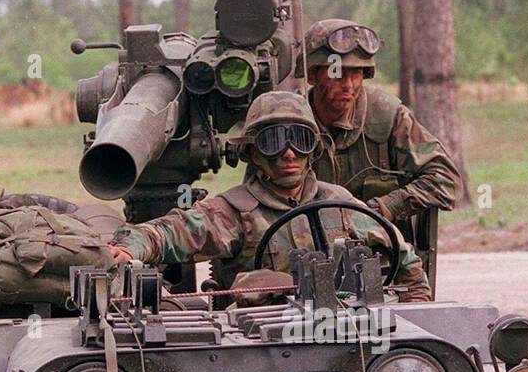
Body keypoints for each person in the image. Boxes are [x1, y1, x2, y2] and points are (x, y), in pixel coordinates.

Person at [107, 90, 432, 302]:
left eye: (299, 140)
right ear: (253, 153)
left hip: (346, 338)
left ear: (313, 149)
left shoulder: (341, 203)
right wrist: (130, 247)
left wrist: (414, 318)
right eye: (272, 141)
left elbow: (405, 261)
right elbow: (168, 232)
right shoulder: (233, 211)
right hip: (262, 348)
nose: (288, 153)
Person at [303, 19, 462, 232]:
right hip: (307, 251)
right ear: (312, 74)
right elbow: (259, 192)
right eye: (337, 73)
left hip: (384, 251)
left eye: (357, 73)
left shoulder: (389, 117)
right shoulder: (292, 119)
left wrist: (385, 207)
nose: (349, 85)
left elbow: (445, 179)